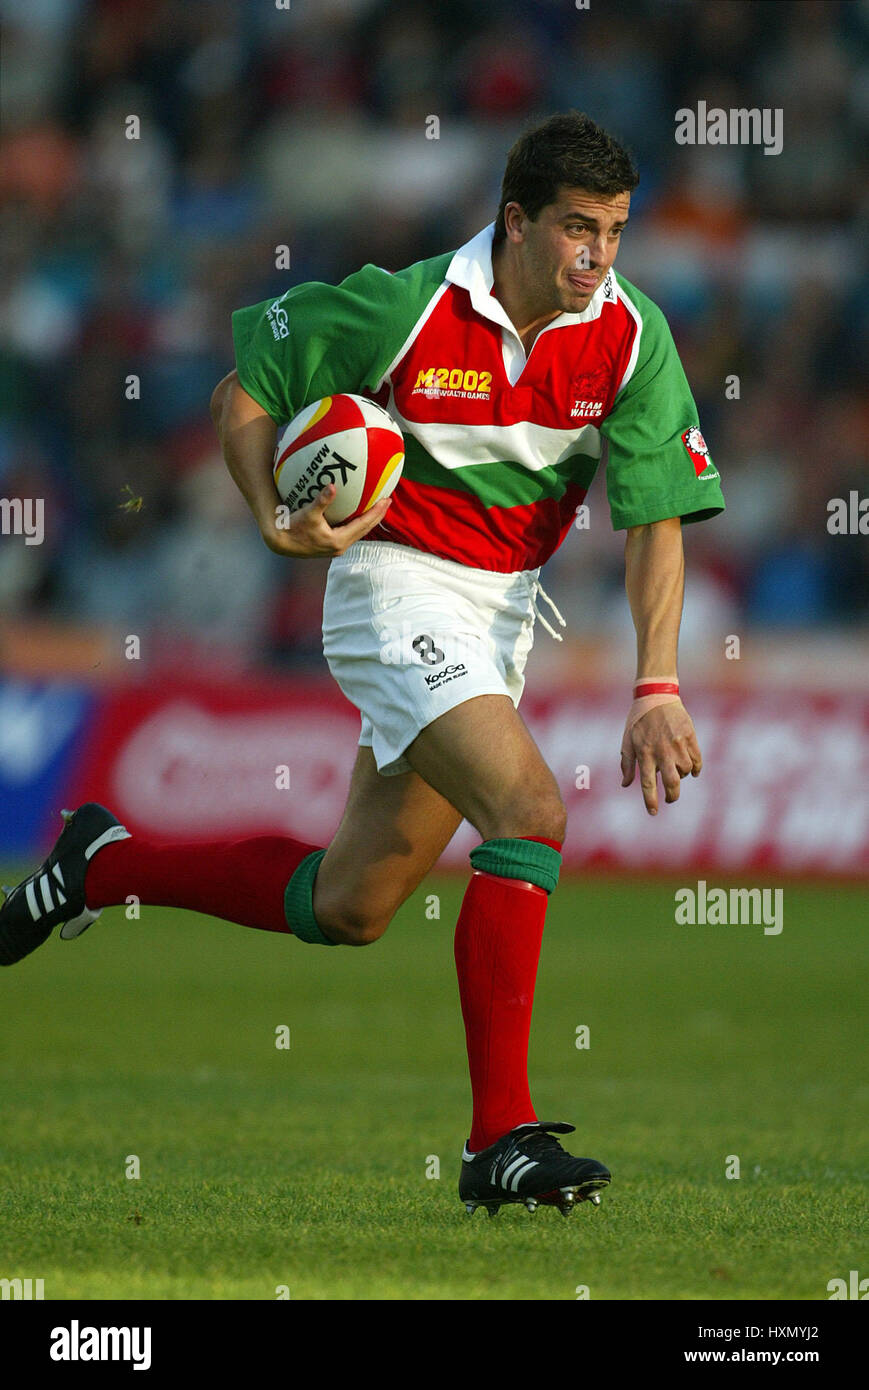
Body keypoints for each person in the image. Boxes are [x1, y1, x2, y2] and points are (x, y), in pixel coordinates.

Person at [1, 112, 724, 1217]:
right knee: (527, 810)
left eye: (616, 233)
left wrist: (656, 683)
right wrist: (274, 518)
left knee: (350, 903)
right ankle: (500, 1142)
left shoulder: (628, 338)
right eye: (577, 229)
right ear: (514, 221)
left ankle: (98, 864)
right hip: (393, 588)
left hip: (499, 617)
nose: (597, 258)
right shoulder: (403, 306)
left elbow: (655, 520)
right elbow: (240, 392)